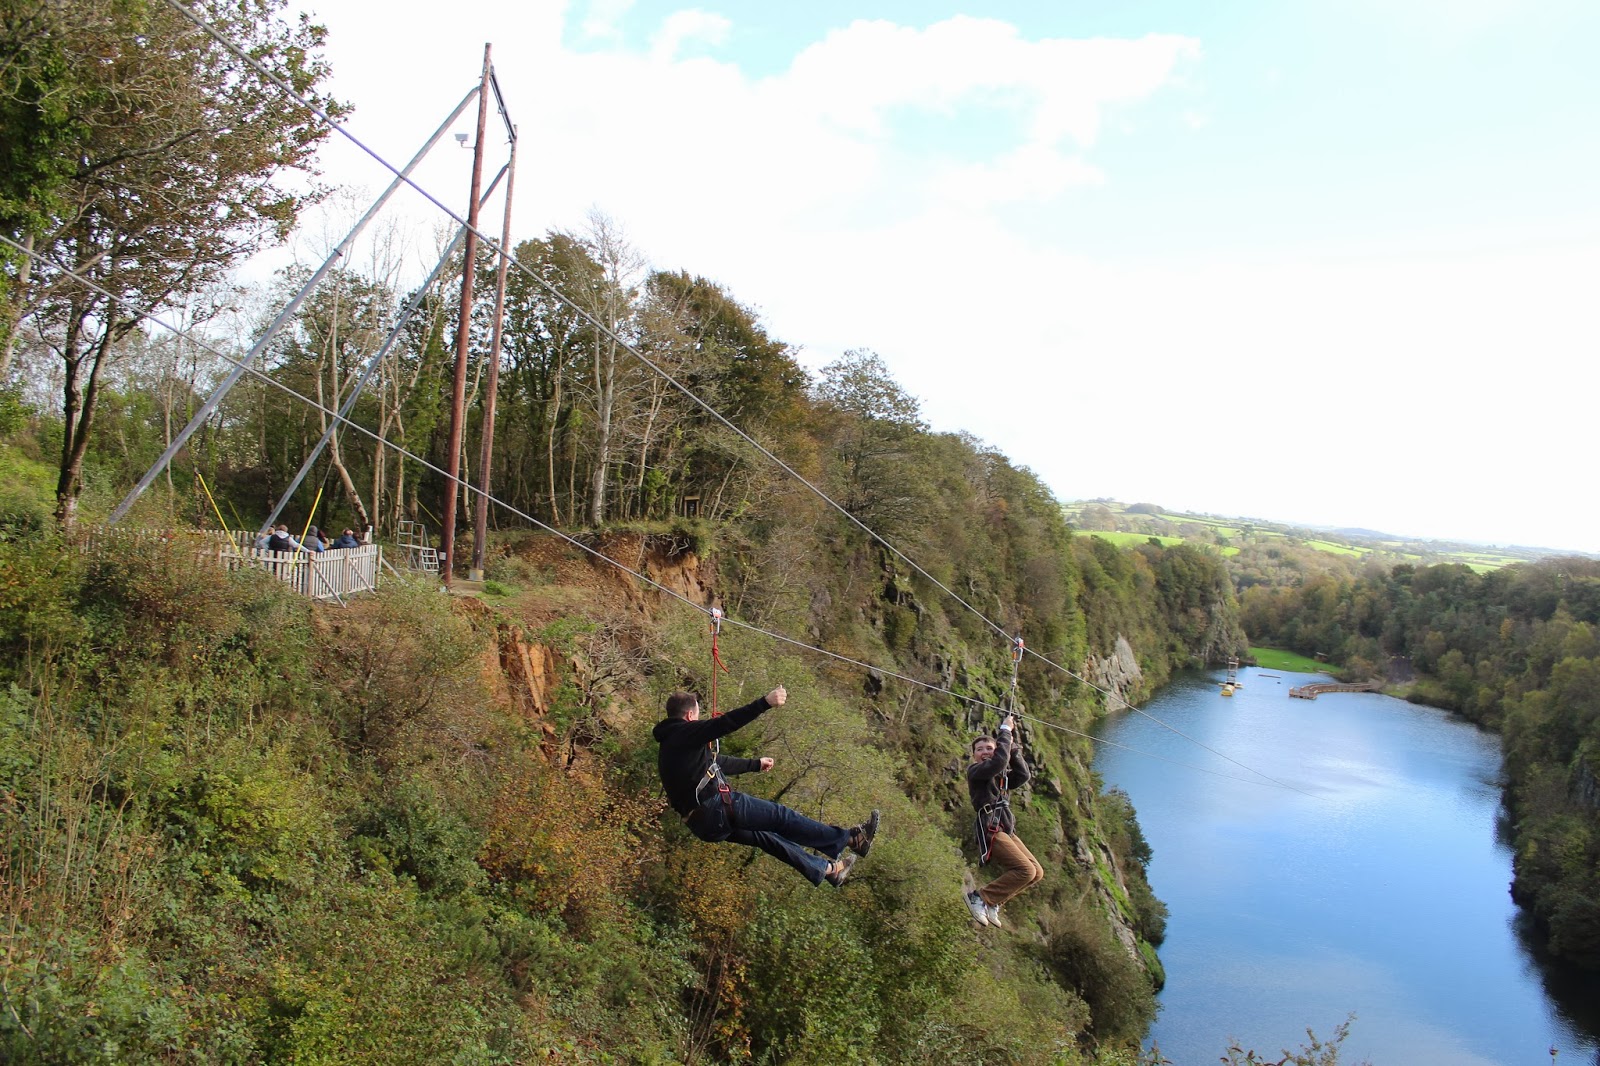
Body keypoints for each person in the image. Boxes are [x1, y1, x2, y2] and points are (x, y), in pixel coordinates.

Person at [654, 685, 879, 887]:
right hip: (715, 809)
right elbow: (725, 724)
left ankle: (830, 871)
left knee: (767, 838)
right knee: (780, 816)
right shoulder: (683, 733)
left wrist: (755, 764)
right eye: (698, 715)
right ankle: (850, 838)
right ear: (690, 715)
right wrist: (765, 702)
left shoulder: (672, 744)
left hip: (702, 823)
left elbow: (714, 762)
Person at [963, 714, 1043, 927]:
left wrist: (1013, 750)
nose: (985, 752)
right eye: (980, 750)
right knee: (1025, 871)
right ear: (974, 757)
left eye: (989, 748)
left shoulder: (1000, 777)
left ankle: (992, 902)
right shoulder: (976, 772)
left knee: (1036, 872)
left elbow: (1023, 775)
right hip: (990, 827)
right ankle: (980, 897)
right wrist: (1005, 731)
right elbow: (997, 763)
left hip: (1005, 828)